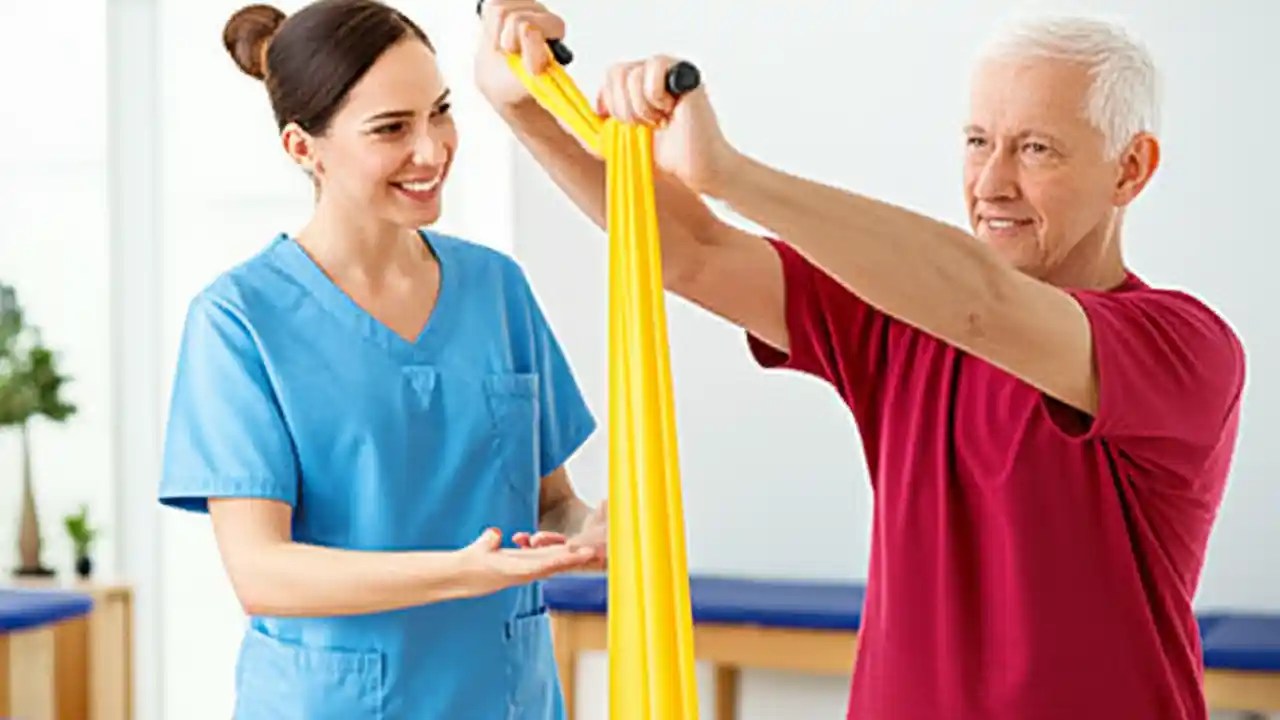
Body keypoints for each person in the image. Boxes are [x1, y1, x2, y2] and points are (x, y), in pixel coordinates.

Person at [476, 4, 1246, 719]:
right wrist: (530, 109)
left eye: (1036, 149)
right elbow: (693, 252)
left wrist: (731, 176)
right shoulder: (902, 312)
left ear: (1131, 169)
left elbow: (983, 304)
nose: (990, 183)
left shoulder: (1182, 347)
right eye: (978, 141)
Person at [158, 1, 606, 718]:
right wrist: (462, 572)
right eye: (392, 128)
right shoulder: (241, 319)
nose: (432, 150)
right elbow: (261, 571)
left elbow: (552, 499)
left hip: (504, 693)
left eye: (441, 111)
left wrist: (592, 532)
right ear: (304, 148)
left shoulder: (495, 289)